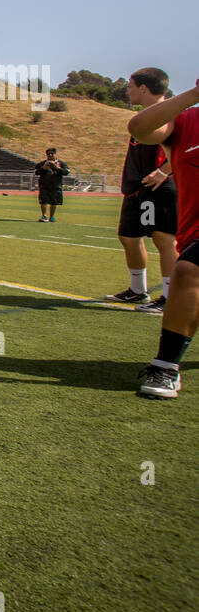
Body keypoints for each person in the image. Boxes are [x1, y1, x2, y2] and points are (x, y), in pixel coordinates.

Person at [126, 72, 199, 399]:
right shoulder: (185, 121)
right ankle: (167, 366)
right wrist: (191, 96)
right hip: (195, 231)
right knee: (188, 270)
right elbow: (139, 128)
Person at [105, 69, 178, 315]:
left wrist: (164, 171)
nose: (128, 90)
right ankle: (138, 290)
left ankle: (171, 298)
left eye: (131, 86)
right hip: (137, 188)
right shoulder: (145, 116)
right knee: (128, 237)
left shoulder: (171, 113)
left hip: (160, 187)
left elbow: (183, 148)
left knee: (163, 239)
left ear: (144, 88)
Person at [34, 147, 70, 222]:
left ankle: (52, 217)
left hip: (56, 185)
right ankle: (44, 215)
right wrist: (43, 168)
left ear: (55, 154)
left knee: (54, 202)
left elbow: (66, 172)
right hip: (44, 185)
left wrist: (57, 168)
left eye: (52, 154)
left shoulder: (61, 163)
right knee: (43, 201)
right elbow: (36, 172)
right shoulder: (42, 163)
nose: (50, 155)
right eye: (48, 154)